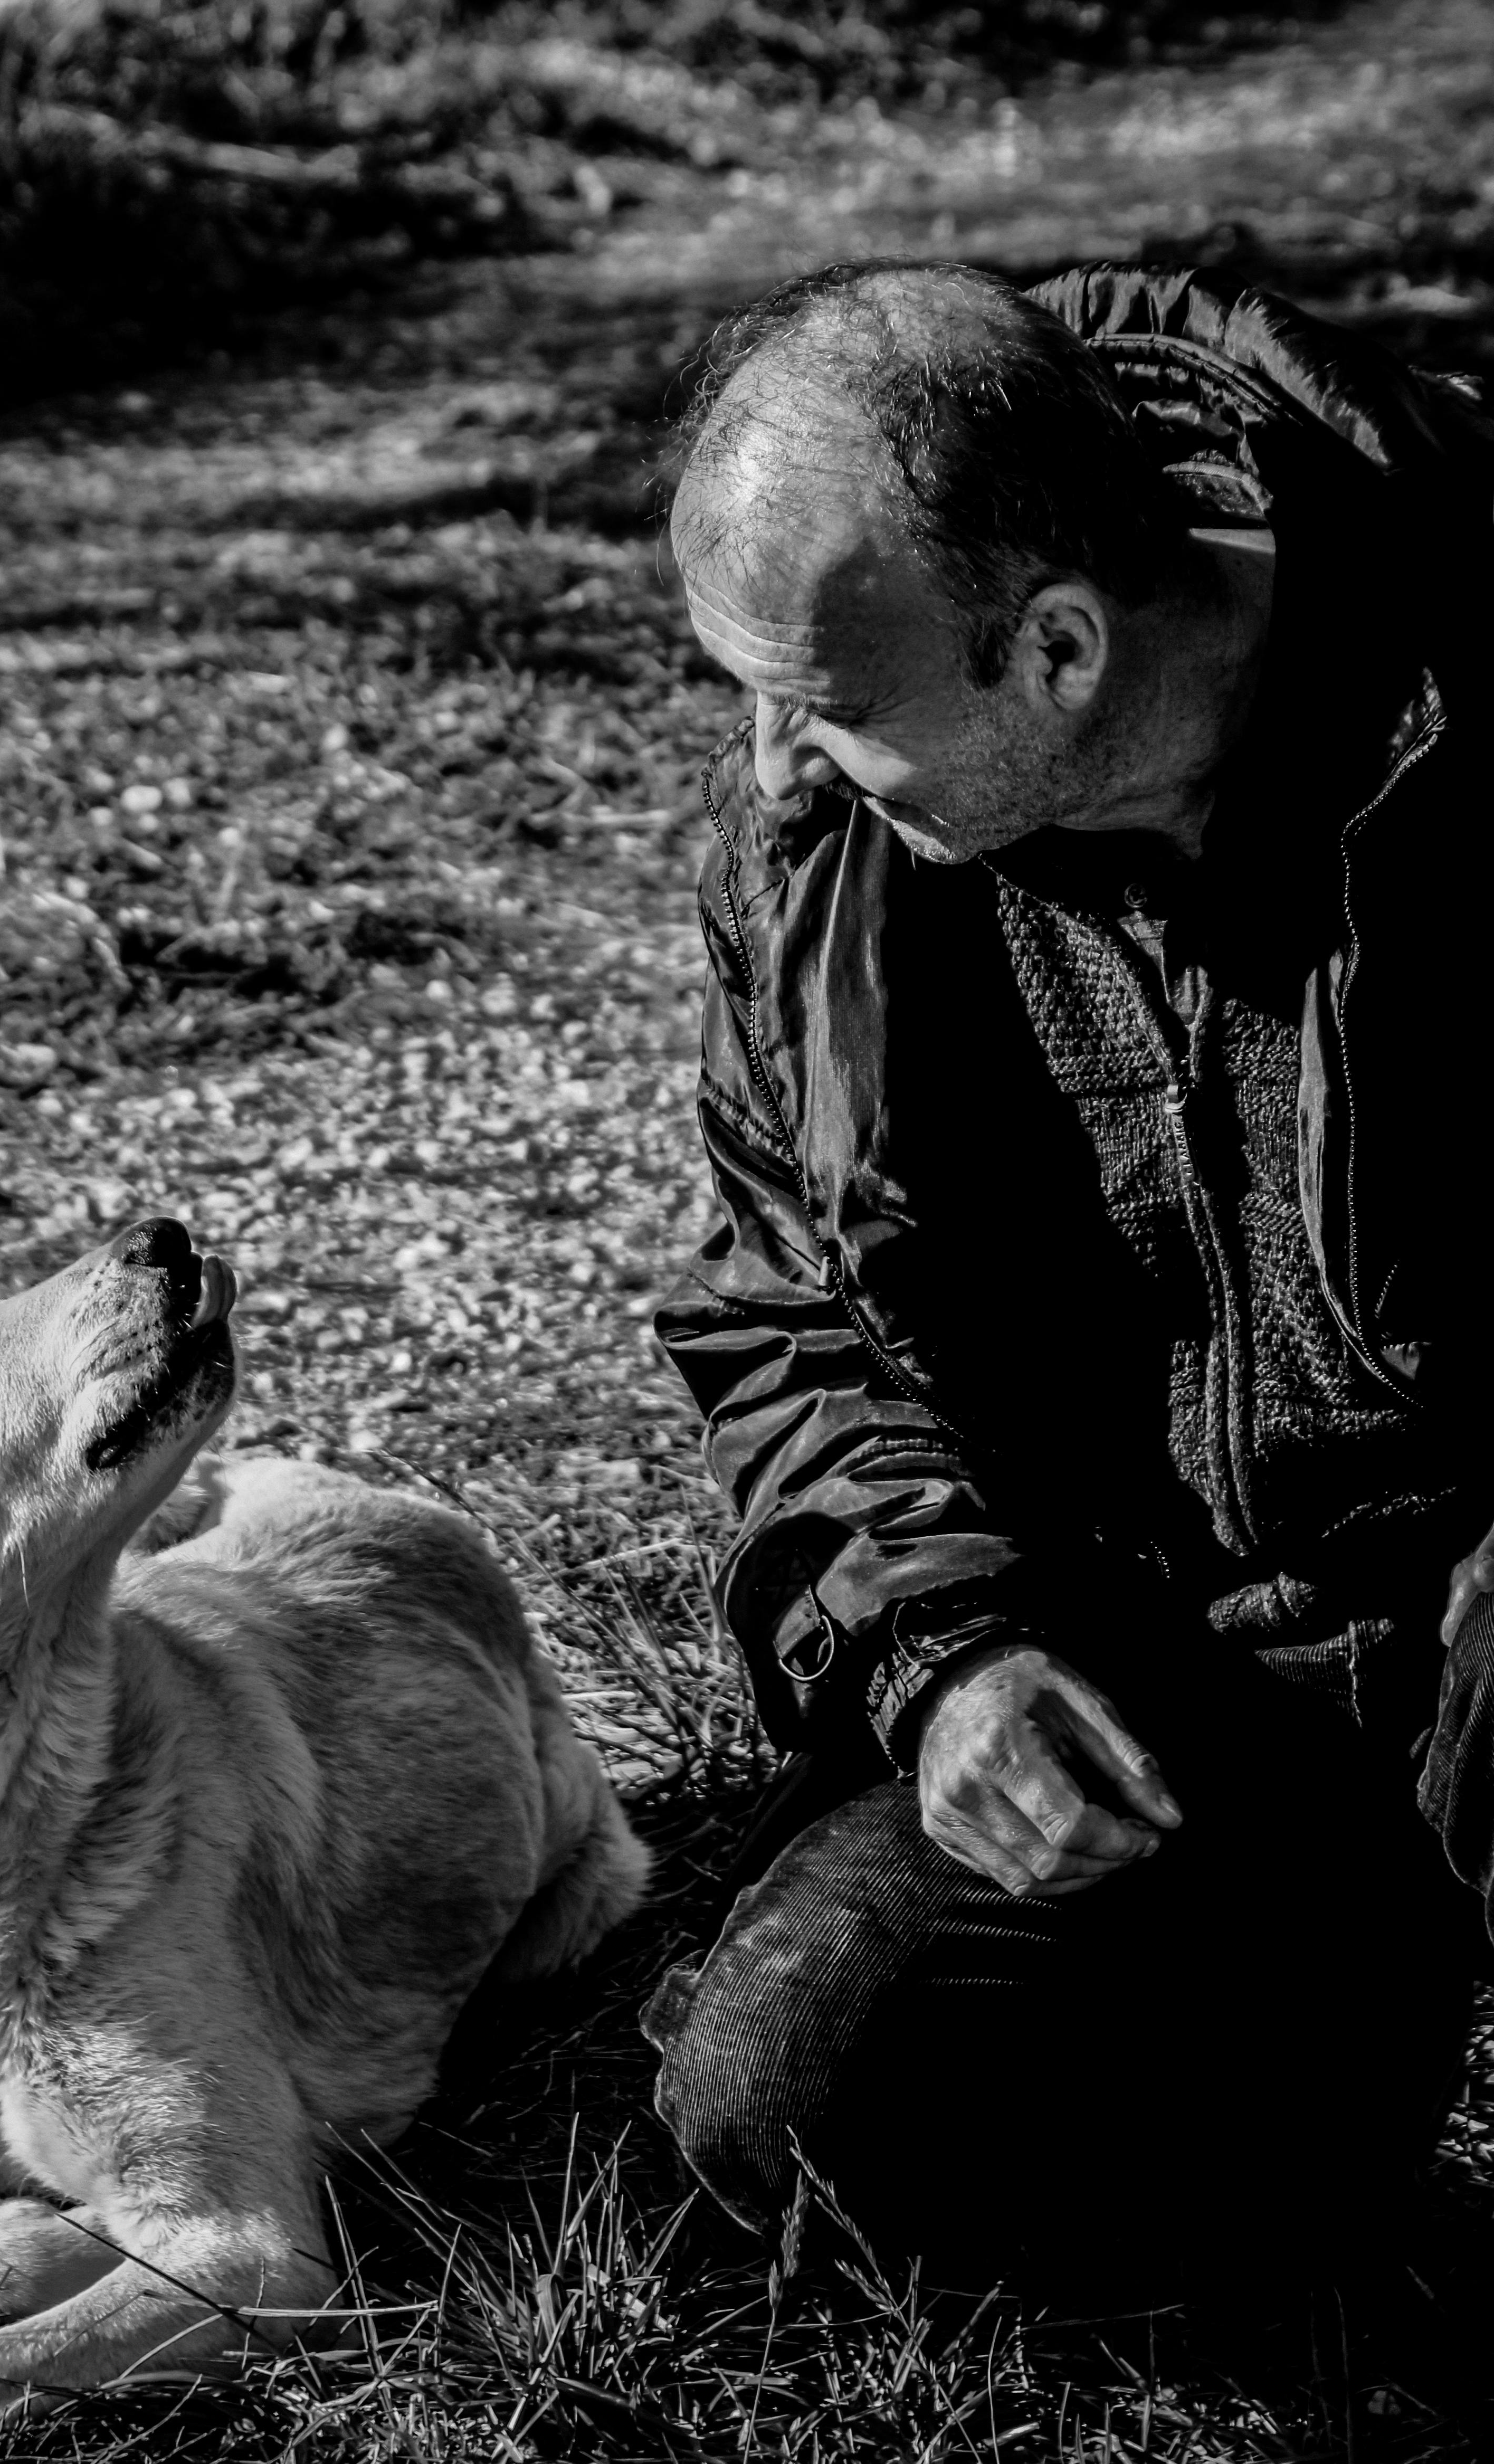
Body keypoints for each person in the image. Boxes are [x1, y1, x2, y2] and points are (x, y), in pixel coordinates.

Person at [641, 258, 1494, 2284]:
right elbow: (785, 1313)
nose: (770, 765)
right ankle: (1335, 2081)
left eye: (829, 708)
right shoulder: (834, 863)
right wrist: (946, 1662)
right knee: (784, 2100)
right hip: (1175, 1662)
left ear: (1058, 646)